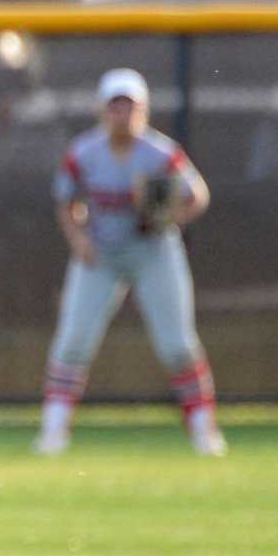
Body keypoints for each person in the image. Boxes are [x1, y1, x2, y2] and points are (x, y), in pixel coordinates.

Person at [34, 67, 224, 456]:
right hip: (100, 253)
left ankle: (204, 430)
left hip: (153, 251)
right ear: (102, 110)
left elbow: (197, 196)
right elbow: (66, 202)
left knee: (177, 345)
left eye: (129, 106)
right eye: (115, 105)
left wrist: (167, 216)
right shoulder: (84, 152)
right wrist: (78, 239)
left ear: (143, 110)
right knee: (73, 341)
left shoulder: (160, 153)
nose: (122, 114)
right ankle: (53, 432)